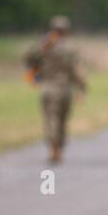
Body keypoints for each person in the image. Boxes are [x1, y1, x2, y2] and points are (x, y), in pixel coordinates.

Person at [23, 15, 87, 163]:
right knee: (62, 120)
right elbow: (78, 71)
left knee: (51, 119)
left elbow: (27, 59)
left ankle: (53, 148)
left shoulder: (44, 46)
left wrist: (41, 46)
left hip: (47, 88)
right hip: (65, 89)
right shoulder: (71, 48)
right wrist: (81, 89)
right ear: (67, 31)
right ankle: (58, 148)